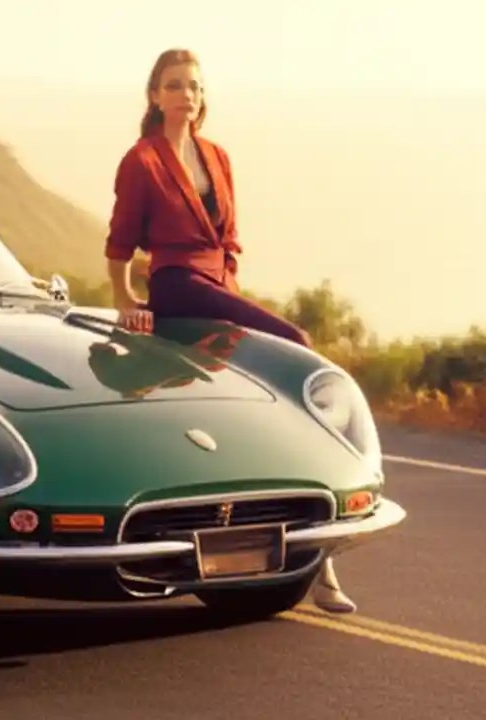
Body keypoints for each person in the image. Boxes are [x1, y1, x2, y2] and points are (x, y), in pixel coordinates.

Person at [101, 48, 356, 615]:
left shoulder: (218, 156)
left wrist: (233, 297)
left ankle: (317, 551)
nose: (185, 95)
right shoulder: (140, 160)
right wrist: (125, 302)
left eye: (193, 86)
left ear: (201, 95)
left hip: (220, 287)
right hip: (176, 285)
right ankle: (326, 562)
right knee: (296, 343)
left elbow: (231, 239)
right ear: (154, 96)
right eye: (173, 86)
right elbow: (119, 243)